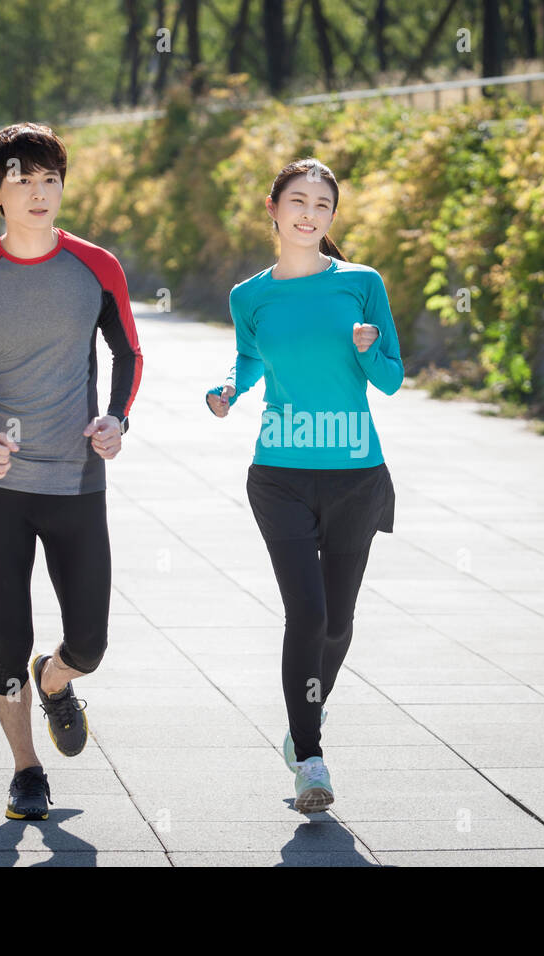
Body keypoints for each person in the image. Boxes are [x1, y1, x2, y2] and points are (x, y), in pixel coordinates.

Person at [0, 122, 143, 821]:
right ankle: (26, 772)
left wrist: (116, 419)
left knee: (92, 643)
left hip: (78, 484)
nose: (39, 193)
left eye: (50, 179)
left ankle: (58, 680)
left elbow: (129, 354)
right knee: (7, 642)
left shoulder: (97, 267)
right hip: (5, 494)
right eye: (24, 180)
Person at [205, 158, 403, 813]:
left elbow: (392, 379)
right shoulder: (250, 295)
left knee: (339, 624)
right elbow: (251, 357)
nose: (309, 213)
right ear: (274, 207)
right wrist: (231, 388)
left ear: (332, 216)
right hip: (280, 475)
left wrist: (369, 346)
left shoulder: (362, 283)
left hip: (355, 474)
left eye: (322, 204)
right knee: (308, 613)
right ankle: (311, 761)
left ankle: (300, 727)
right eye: (298, 200)